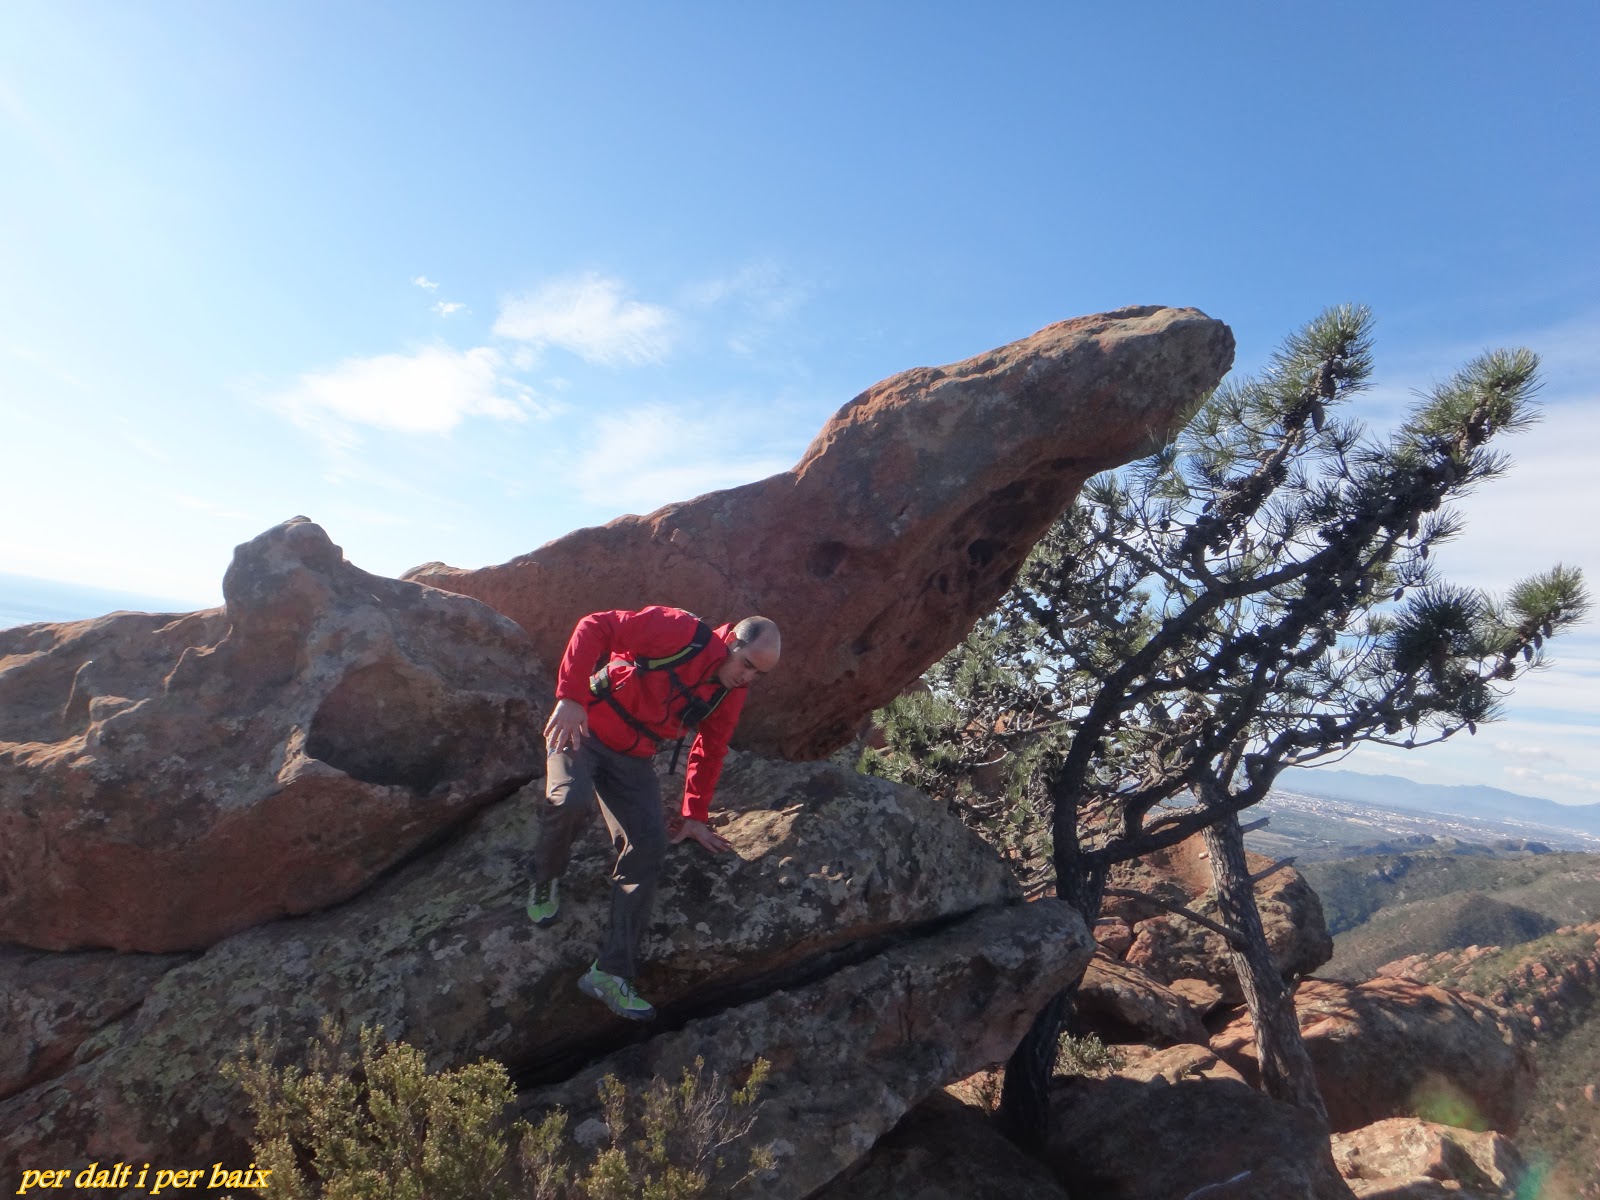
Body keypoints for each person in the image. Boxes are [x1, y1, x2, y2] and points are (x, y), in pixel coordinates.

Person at [527, 605, 782, 1021]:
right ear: (730, 641)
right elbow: (595, 625)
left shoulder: (729, 692)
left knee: (649, 846)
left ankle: (610, 973)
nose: (747, 678)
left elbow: (711, 748)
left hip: (632, 759)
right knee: (570, 799)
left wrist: (694, 814)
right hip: (584, 728)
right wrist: (570, 697)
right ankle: (544, 877)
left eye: (758, 675)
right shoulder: (679, 631)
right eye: (747, 664)